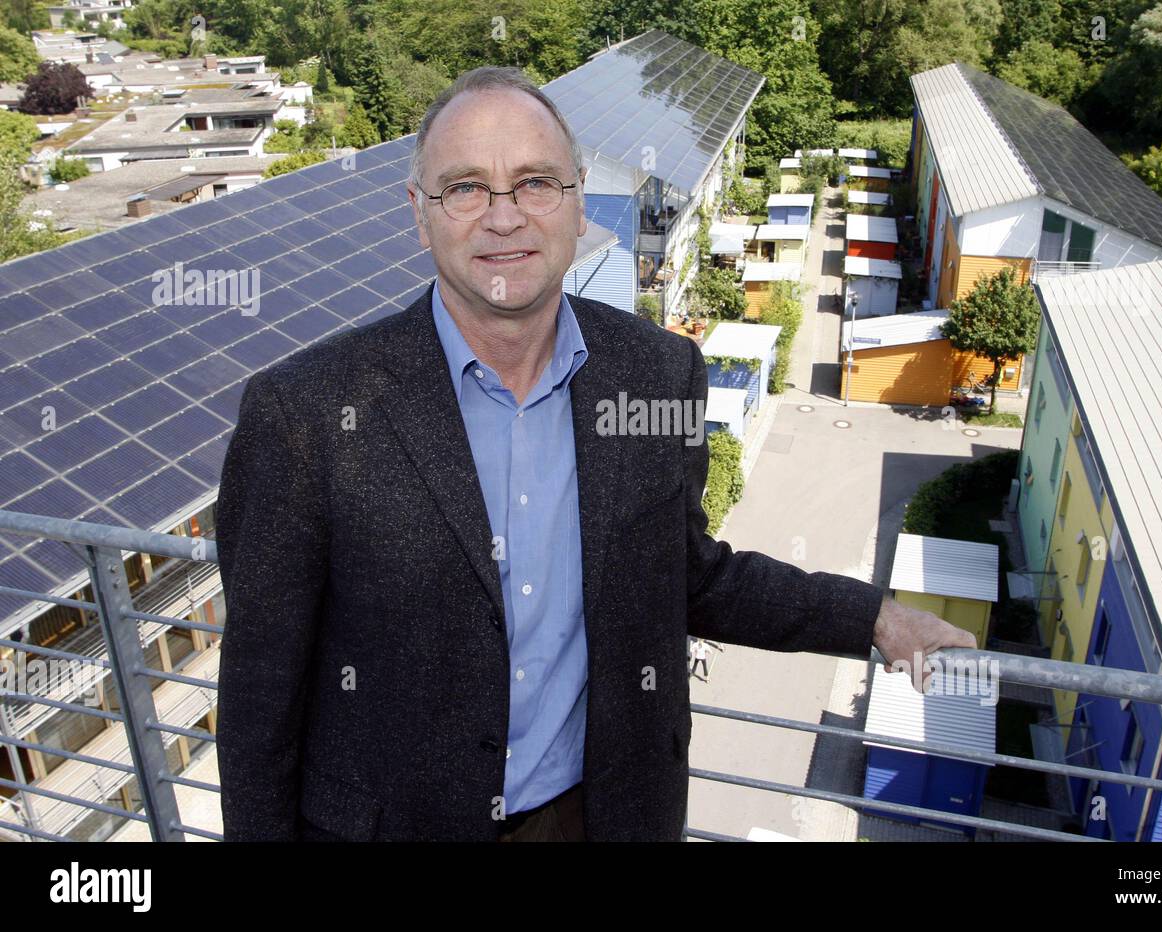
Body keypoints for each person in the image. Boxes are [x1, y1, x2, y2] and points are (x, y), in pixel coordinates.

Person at [214, 65, 975, 843]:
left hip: (599, 818)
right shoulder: (302, 414)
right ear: (420, 214)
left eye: (535, 183)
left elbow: (688, 572)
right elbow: (257, 700)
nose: (504, 218)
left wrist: (874, 619)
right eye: (466, 187)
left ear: (579, 204)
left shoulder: (656, 374)